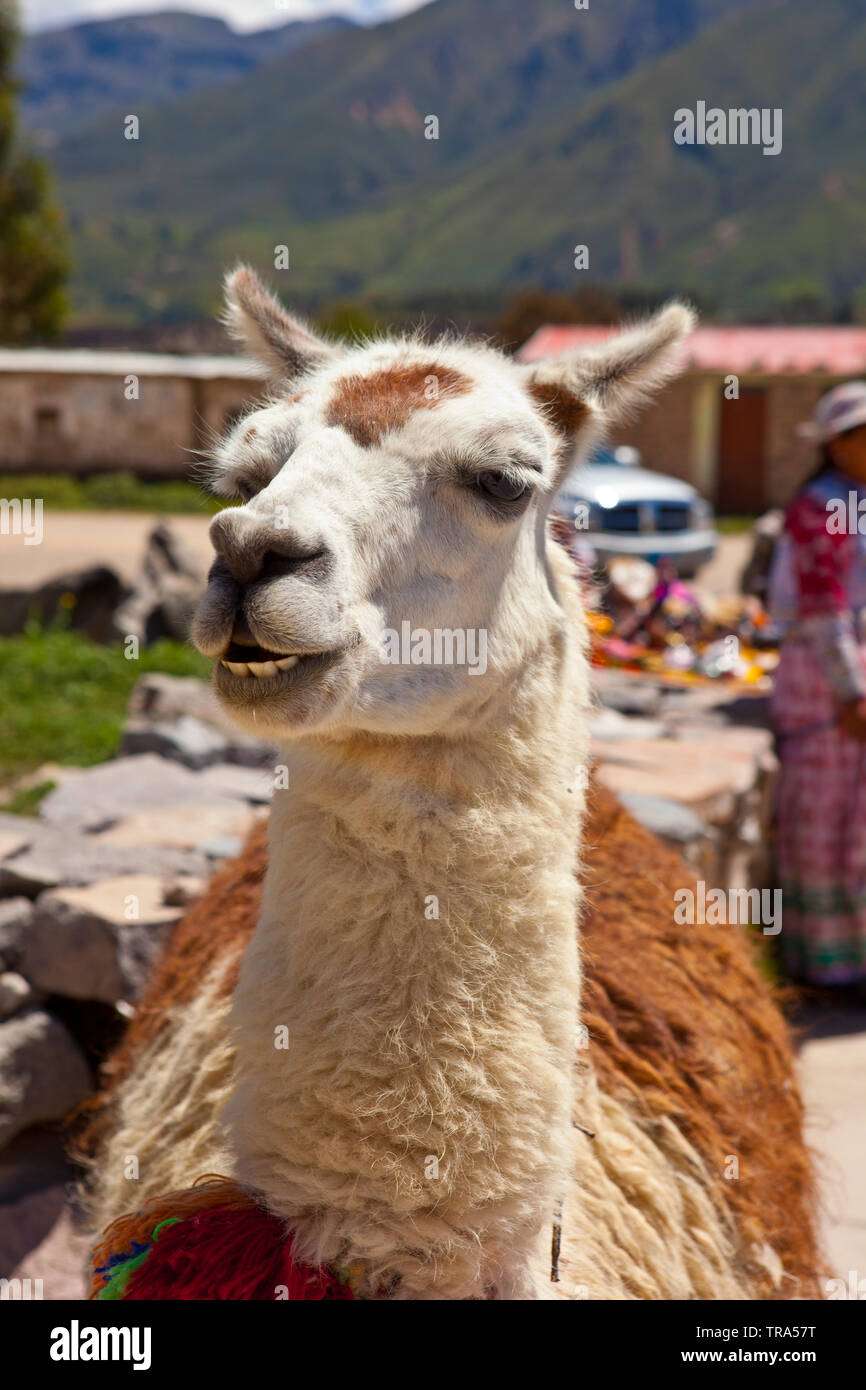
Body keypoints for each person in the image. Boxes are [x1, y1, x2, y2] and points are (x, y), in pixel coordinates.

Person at [768, 382, 866, 990]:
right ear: (836, 444)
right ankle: (830, 965)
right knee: (826, 817)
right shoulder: (821, 508)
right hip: (828, 685)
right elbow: (823, 606)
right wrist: (851, 690)